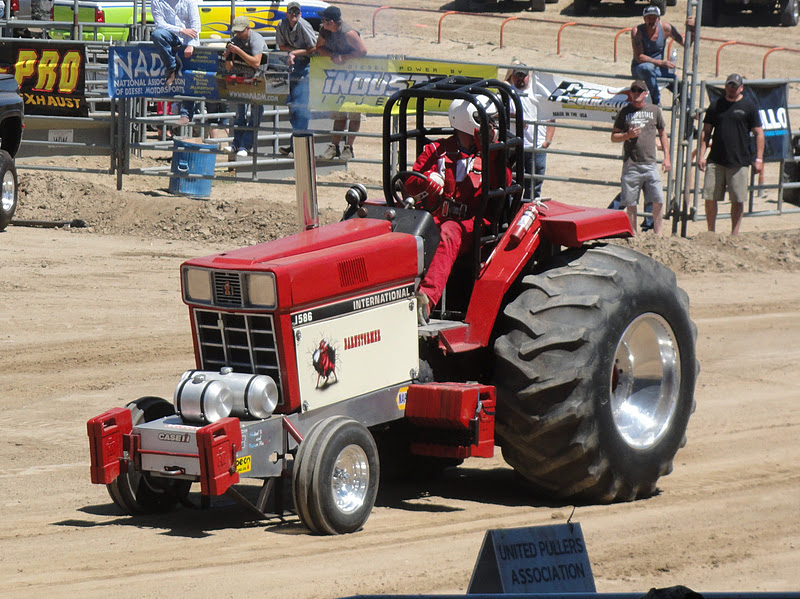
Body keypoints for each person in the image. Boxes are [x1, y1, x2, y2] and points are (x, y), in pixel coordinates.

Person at [408, 99, 503, 324]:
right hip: (436, 218)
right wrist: (426, 181)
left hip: (474, 224)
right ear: (469, 121)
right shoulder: (436, 151)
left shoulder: (491, 155)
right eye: (486, 120)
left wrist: (487, 152)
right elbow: (409, 183)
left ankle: (425, 299)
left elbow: (502, 182)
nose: (492, 126)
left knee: (450, 231)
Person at [697, 73, 764, 235]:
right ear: (725, 86)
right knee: (710, 196)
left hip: (739, 161)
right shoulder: (715, 105)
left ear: (741, 88)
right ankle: (710, 232)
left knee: (737, 198)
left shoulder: (749, 107)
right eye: (729, 85)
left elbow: (759, 133)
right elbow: (706, 132)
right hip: (716, 159)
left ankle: (734, 234)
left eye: (735, 86)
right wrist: (701, 155)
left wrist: (759, 158)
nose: (732, 88)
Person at [611, 79, 671, 236]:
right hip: (631, 164)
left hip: (650, 163)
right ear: (630, 93)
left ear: (645, 93)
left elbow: (663, 133)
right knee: (631, 202)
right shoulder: (624, 112)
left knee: (658, 199)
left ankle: (658, 235)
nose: (636, 93)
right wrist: (627, 135)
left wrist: (667, 157)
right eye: (634, 90)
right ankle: (633, 234)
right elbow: (614, 136)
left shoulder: (654, 110)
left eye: (639, 91)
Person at [314, 6, 368, 161]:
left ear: (331, 21)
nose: (322, 22)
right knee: (338, 112)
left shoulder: (348, 33)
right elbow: (319, 47)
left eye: (324, 20)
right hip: (337, 76)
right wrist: (332, 55)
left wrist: (344, 58)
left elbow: (363, 51)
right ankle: (334, 146)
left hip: (354, 76)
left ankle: (349, 148)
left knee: (354, 113)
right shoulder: (324, 31)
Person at [505, 63, 555, 199]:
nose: (520, 79)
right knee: (512, 183)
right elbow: (495, 113)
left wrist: (547, 141)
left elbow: (551, 118)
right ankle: (512, 215)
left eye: (523, 75)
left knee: (534, 185)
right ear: (512, 76)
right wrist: (516, 117)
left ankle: (529, 213)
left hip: (536, 146)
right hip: (514, 146)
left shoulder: (538, 94)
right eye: (517, 75)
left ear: (528, 76)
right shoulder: (506, 93)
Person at [276, 1, 318, 157]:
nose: (294, 15)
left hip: (305, 67)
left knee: (301, 107)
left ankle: (301, 146)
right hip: (292, 69)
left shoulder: (304, 26)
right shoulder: (282, 24)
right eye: (291, 12)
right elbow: (281, 46)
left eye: (296, 12)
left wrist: (294, 53)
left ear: (300, 14)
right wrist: (295, 52)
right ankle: (296, 144)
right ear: (287, 13)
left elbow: (313, 48)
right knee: (293, 108)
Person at [630, 6, 694, 106]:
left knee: (680, 85)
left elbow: (686, 44)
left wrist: (693, 29)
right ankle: (656, 102)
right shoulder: (637, 31)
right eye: (648, 17)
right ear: (644, 19)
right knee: (648, 68)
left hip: (658, 69)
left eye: (654, 17)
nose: (651, 20)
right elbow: (640, 57)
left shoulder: (666, 28)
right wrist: (660, 62)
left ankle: (687, 109)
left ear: (658, 18)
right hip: (640, 67)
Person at [151, 0, 201, 126]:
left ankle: (186, 114)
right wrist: (181, 30)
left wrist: (191, 44)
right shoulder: (157, 1)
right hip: (172, 37)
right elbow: (159, 24)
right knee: (157, 35)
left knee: (188, 76)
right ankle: (172, 65)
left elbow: (196, 24)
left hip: (187, 41)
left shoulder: (189, 1)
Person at [224, 15, 267, 158]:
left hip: (258, 80)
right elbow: (229, 67)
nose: (238, 35)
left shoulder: (256, 40)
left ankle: (246, 145)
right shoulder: (234, 41)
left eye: (240, 31)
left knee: (255, 115)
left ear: (248, 28)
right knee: (239, 115)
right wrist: (228, 56)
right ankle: (236, 144)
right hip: (242, 80)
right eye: (236, 32)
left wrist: (238, 52)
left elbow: (256, 62)